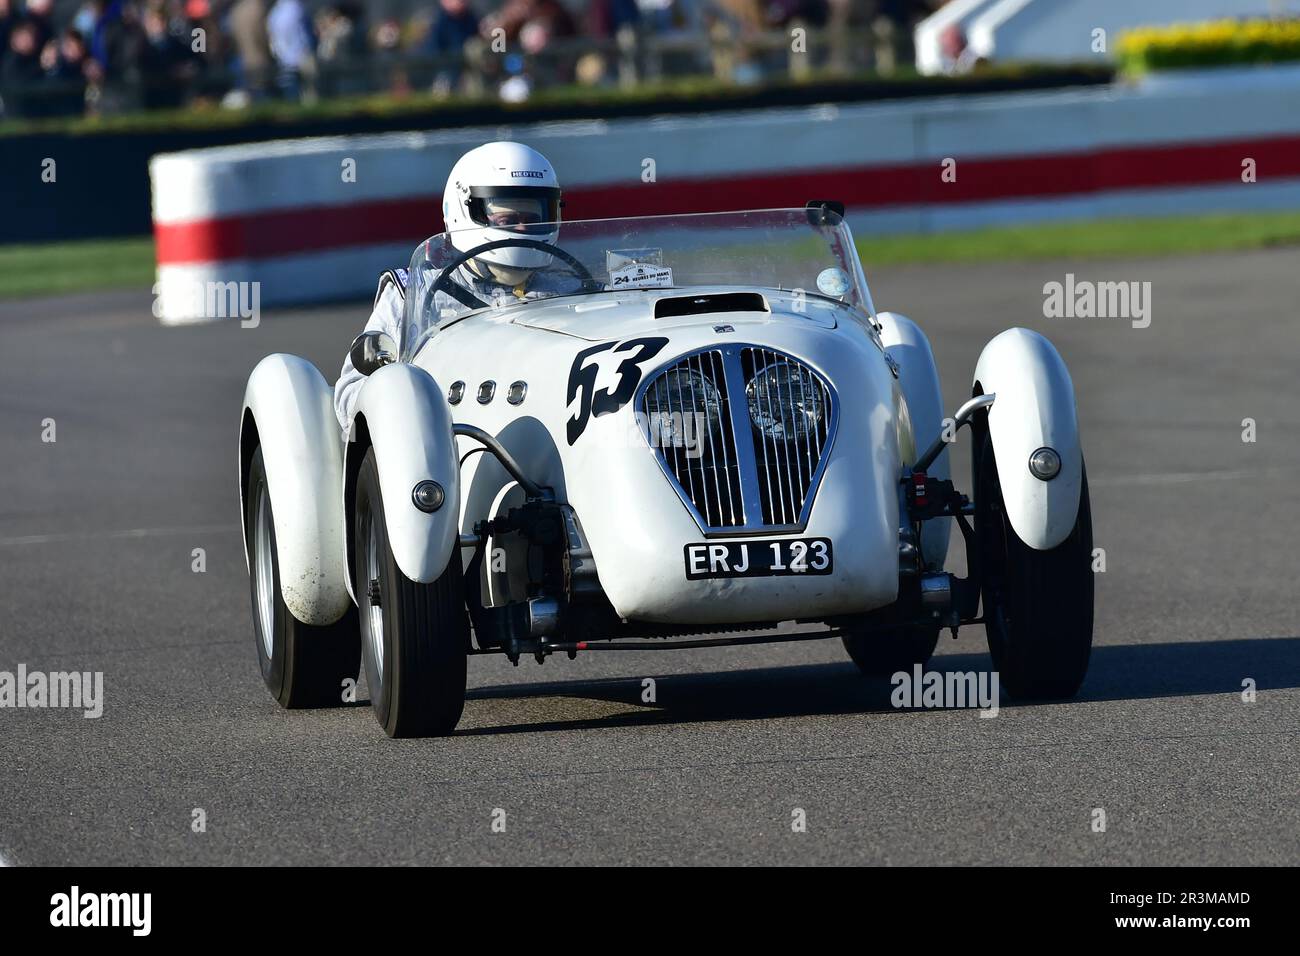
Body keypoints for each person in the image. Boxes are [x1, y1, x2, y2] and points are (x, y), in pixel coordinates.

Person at [333, 141, 568, 432]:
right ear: (463, 210)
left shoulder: (571, 290)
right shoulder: (412, 291)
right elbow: (352, 391)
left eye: (533, 219)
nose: (523, 230)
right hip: (446, 443)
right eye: (508, 219)